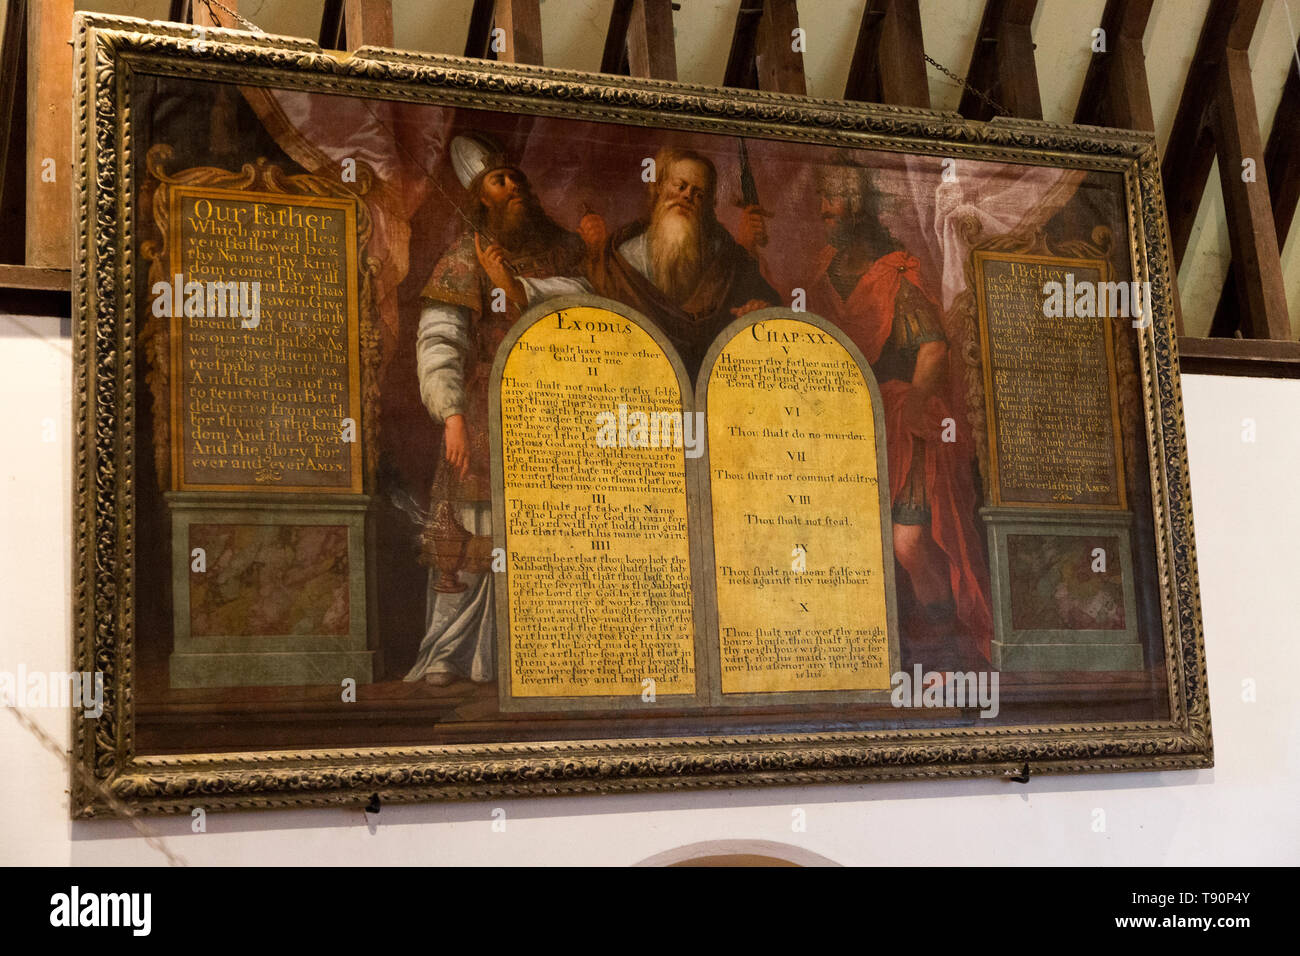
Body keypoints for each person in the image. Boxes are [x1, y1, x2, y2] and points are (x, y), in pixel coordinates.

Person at [407, 134, 590, 686]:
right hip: (486, 411)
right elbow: (440, 337)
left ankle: (530, 658)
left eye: (517, 179)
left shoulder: (560, 248)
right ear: (480, 197)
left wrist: (516, 286)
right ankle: (453, 656)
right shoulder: (465, 255)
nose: (514, 188)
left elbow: (588, 298)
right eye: (499, 181)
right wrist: (452, 416)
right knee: (470, 533)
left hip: (557, 410)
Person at [804, 164, 993, 666]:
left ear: (862, 209)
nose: (827, 208)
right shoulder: (823, 271)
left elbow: (932, 349)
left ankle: (952, 652)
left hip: (903, 421)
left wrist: (910, 404)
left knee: (908, 542)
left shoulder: (897, 273)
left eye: (839, 198)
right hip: (847, 424)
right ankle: (890, 655)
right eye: (824, 196)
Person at [586, 147, 777, 377]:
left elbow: (766, 303)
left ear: (707, 207)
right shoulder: (623, 258)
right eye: (680, 186)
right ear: (659, 189)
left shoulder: (725, 260)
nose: (687, 196)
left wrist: (758, 307)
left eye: (699, 194)